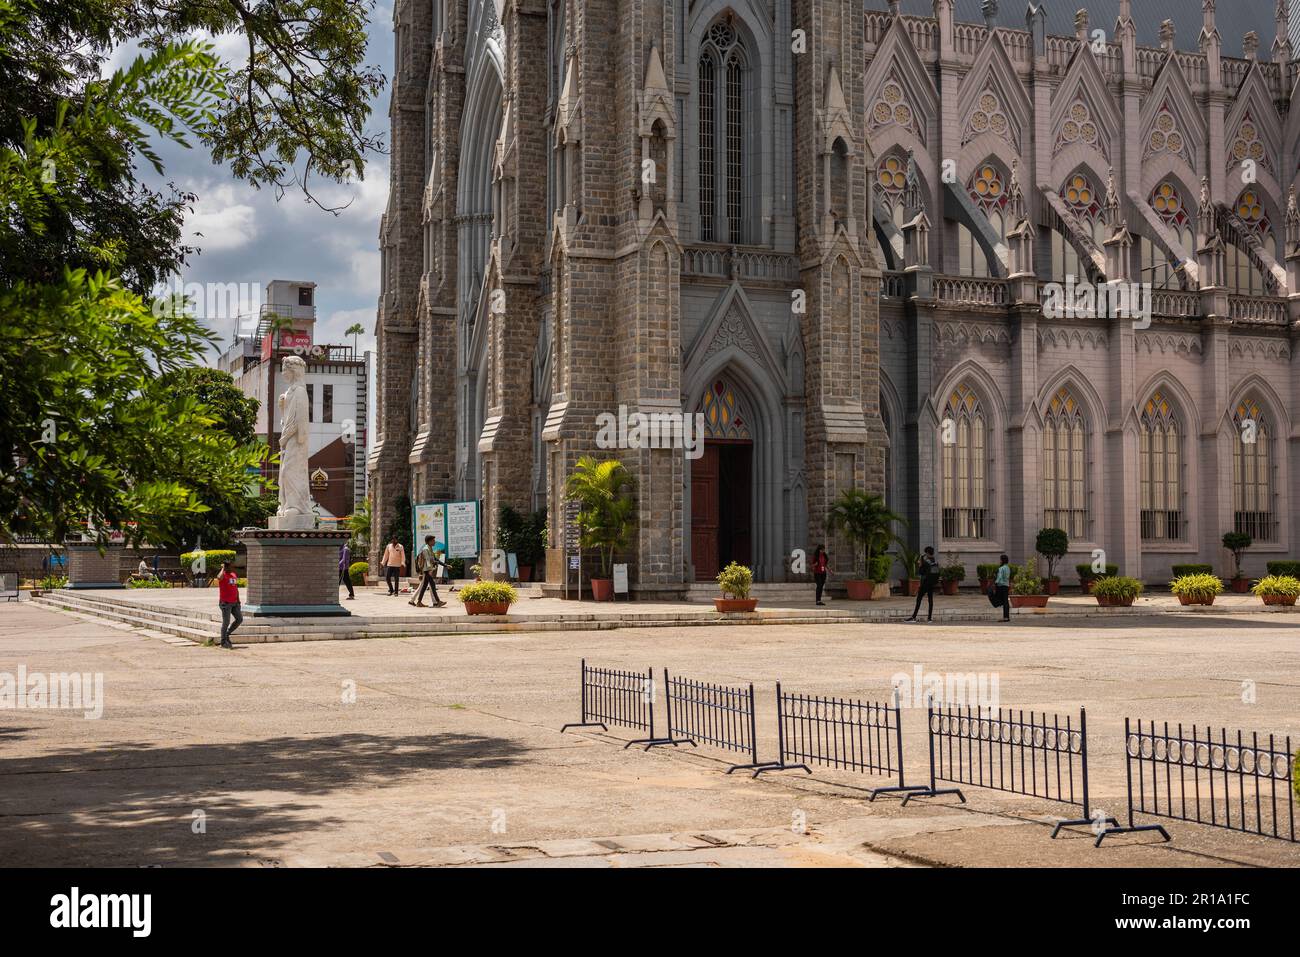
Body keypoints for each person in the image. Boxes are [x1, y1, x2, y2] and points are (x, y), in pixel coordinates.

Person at [411, 535, 447, 608]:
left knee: (424, 587)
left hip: (428, 570)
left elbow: (435, 559)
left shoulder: (430, 548)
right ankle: (438, 602)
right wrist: (430, 569)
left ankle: (419, 602)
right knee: (432, 585)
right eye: (433, 540)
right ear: (429, 541)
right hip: (427, 570)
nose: (434, 542)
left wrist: (445, 565)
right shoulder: (425, 549)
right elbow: (428, 560)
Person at [906, 546, 940, 622]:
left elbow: (921, 572)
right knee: (930, 600)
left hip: (925, 583)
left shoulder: (925, 561)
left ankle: (913, 617)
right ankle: (929, 618)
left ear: (927, 553)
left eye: (926, 553)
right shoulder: (934, 561)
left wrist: (920, 565)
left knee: (919, 599)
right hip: (932, 583)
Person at [216, 560, 242, 649]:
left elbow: (235, 588)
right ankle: (223, 642)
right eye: (231, 566)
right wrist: (223, 568)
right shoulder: (223, 575)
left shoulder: (233, 575)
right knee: (226, 622)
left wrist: (238, 600)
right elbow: (219, 577)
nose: (233, 567)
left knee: (239, 619)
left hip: (235, 603)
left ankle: (227, 634)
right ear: (227, 567)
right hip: (225, 603)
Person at [993, 554, 1012, 622]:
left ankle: (997, 604)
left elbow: (999, 577)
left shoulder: (1001, 568)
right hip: (1006, 586)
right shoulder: (1008, 568)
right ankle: (1006, 617)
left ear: (1002, 560)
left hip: (1001, 586)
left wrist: (995, 583)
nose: (1000, 561)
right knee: (1006, 601)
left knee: (997, 598)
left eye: (1000, 559)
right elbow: (1008, 578)